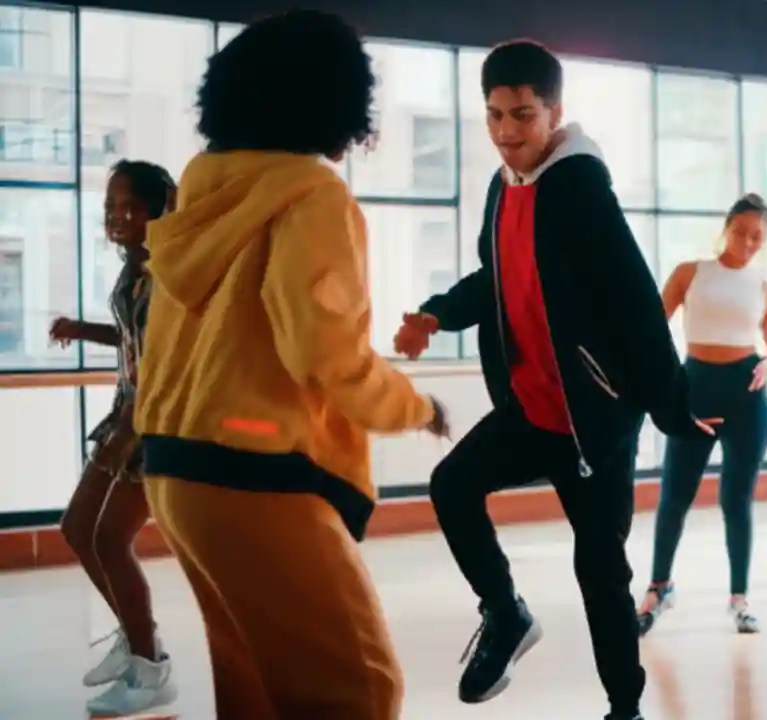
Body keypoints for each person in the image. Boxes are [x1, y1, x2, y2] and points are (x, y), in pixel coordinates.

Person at [133, 11, 447, 719]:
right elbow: (322, 350)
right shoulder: (313, 195)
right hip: (257, 469)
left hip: (176, 472)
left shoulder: (204, 192)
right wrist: (416, 407)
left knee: (251, 684)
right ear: (337, 99)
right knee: (359, 689)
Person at [394, 40, 712, 720]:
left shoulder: (578, 189)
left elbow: (634, 300)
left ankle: (623, 708)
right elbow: (496, 281)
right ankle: (505, 613)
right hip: (532, 410)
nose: (507, 134)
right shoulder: (502, 189)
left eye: (523, 115)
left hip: (593, 424)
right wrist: (434, 314)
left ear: (554, 113)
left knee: (600, 571)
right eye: (494, 116)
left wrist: (672, 406)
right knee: (452, 484)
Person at [49, 160, 176, 716]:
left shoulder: (169, 271)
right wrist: (83, 330)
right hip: (125, 413)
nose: (117, 217)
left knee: (108, 539)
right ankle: (137, 639)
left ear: (157, 210)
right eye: (110, 209)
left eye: (130, 207)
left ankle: (151, 668)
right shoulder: (135, 266)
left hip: (152, 424)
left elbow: (166, 357)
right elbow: (134, 335)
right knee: (78, 528)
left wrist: (130, 433)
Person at [635, 193, 767, 637]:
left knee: (736, 501)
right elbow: (649, 328)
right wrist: (662, 384)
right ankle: (659, 588)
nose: (748, 241)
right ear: (727, 227)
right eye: (740, 231)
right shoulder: (689, 273)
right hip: (694, 390)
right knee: (675, 495)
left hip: (746, 397)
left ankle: (740, 599)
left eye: (757, 235)